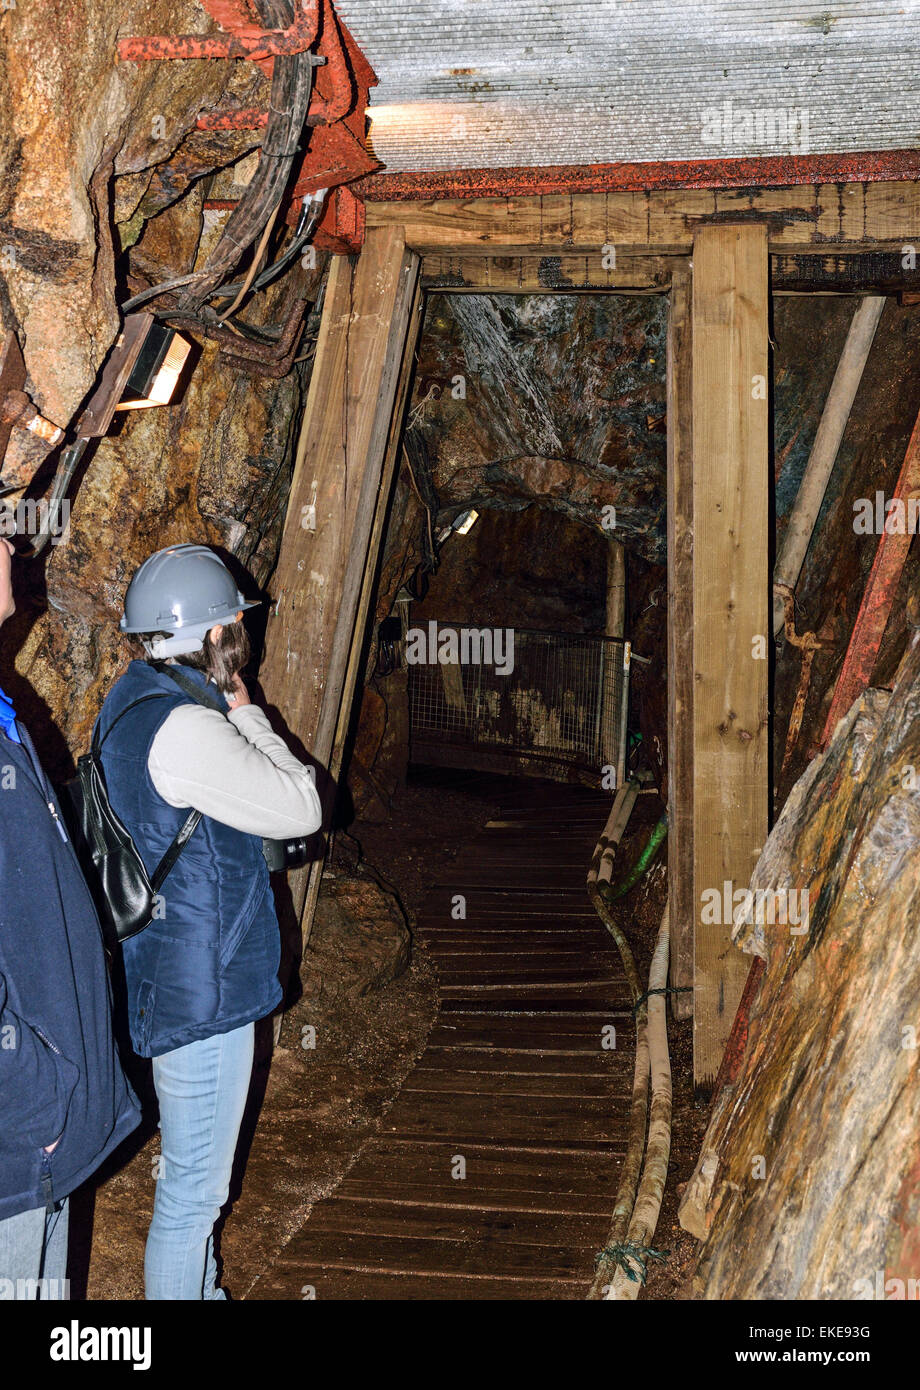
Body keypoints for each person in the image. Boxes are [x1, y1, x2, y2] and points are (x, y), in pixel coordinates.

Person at [97, 542, 321, 1300]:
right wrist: (248, 711)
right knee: (194, 1197)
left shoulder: (129, 702)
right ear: (218, 633)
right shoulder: (190, 727)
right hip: (205, 990)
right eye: (236, 624)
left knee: (192, 1188)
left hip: (171, 970)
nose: (241, 635)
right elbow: (302, 805)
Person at [0, 536, 140, 1298]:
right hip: (17, 1141)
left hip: (37, 1140)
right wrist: (31, 1095)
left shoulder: (4, 709)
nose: (12, 543)